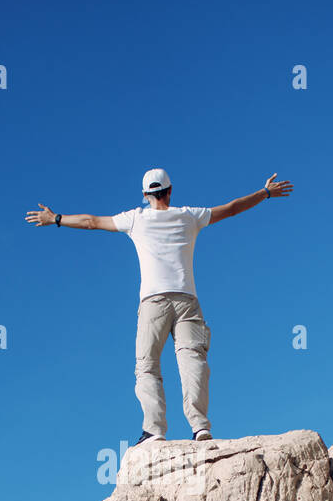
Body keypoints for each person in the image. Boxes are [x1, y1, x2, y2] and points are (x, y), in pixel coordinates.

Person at [25, 167, 293, 444]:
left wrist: (55, 218)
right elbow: (232, 208)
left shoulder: (135, 219)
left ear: (145, 194)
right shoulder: (190, 216)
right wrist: (265, 193)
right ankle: (200, 426)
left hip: (153, 303)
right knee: (193, 360)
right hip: (187, 301)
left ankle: (154, 430)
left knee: (147, 366)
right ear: (170, 190)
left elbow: (91, 221)